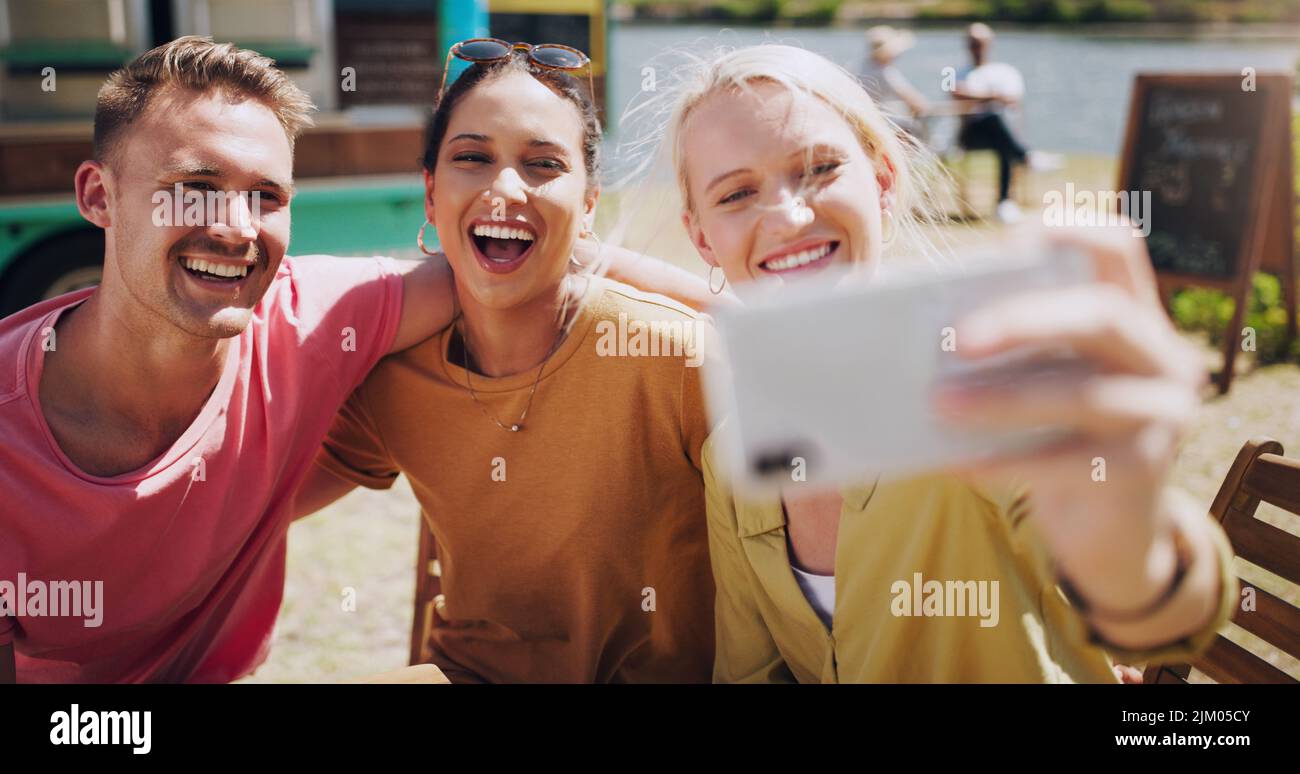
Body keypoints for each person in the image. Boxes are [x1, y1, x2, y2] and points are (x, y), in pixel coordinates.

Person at [0, 36, 711, 683]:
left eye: (266, 196)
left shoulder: (321, 316)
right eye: (197, 187)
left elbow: (498, 267)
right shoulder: (14, 438)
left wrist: (563, 231)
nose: (236, 228)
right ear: (99, 196)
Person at [665, 43, 1236, 682]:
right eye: (738, 193)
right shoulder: (734, 452)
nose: (790, 217)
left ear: (882, 182)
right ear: (701, 238)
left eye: (820, 168)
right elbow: (750, 672)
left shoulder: (983, 388)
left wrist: (1127, 528)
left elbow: (1168, 619)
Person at [294, 46, 716, 683]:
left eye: (543, 164)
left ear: (589, 203)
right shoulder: (392, 373)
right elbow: (253, 508)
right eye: (472, 158)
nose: (504, 189)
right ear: (431, 194)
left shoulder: (672, 355)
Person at [952, 23, 1053, 224]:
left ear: (989, 44)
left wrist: (978, 97)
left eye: (979, 43)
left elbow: (1013, 98)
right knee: (994, 118)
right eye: (972, 43)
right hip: (971, 134)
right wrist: (993, 96)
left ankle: (1005, 203)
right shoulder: (954, 71)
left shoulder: (1005, 71)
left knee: (1001, 135)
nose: (976, 48)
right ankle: (1026, 157)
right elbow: (955, 93)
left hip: (1002, 133)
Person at [857, 26, 929, 135]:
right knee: (915, 129)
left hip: (863, 123)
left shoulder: (859, 67)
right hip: (880, 125)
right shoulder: (884, 72)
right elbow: (916, 103)